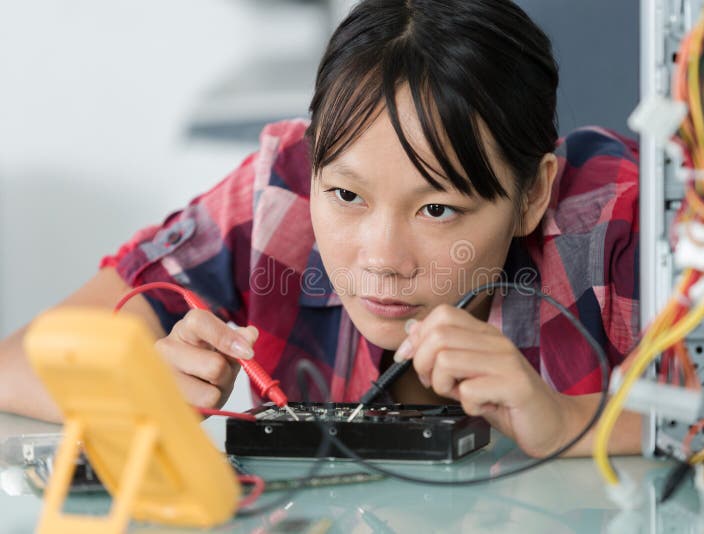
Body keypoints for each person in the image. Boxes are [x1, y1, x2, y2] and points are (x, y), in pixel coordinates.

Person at [0, 0, 641, 458]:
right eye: (345, 195)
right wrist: (135, 389)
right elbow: (18, 361)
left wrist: (569, 421)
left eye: (437, 209)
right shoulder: (278, 192)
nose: (382, 259)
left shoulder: (611, 211)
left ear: (533, 194)